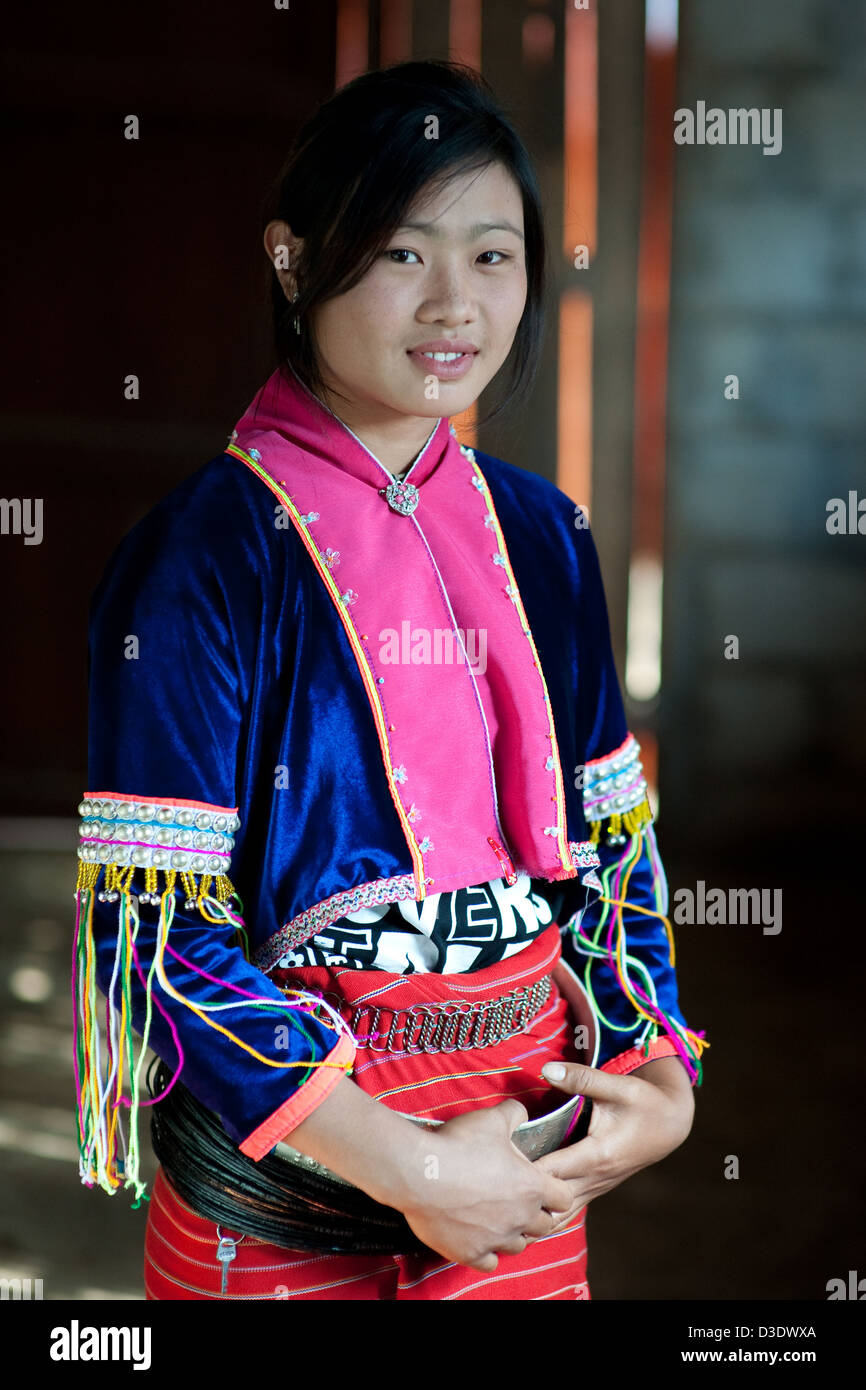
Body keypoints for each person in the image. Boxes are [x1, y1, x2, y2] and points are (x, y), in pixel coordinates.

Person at [72, 59, 707, 1301]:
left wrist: (660, 1082)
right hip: (301, 1190)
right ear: (293, 259)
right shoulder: (200, 562)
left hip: (521, 1174)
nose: (452, 305)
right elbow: (157, 937)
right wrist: (409, 1165)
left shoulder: (544, 537)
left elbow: (612, 853)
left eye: (491, 255)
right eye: (402, 253)